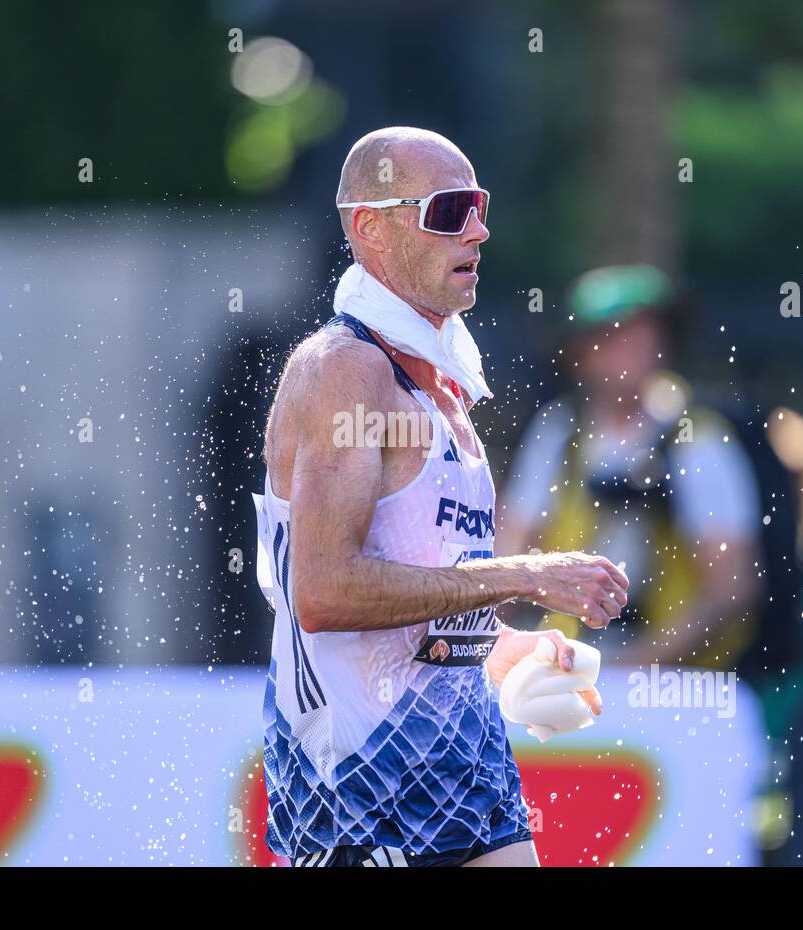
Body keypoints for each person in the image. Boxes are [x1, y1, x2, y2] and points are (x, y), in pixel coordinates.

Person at [252, 127, 629, 867]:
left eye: (480, 206)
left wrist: (502, 649)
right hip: (357, 780)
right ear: (371, 229)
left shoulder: (443, 386)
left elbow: (422, 595)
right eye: (451, 210)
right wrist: (526, 575)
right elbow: (324, 592)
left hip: (467, 765)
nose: (479, 230)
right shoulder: (345, 372)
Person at [500, 265, 764, 670]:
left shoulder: (698, 439)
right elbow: (510, 555)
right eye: (614, 337)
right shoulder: (557, 431)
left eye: (646, 335)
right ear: (578, 353)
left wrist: (638, 665)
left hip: (683, 680)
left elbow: (732, 589)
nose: (633, 350)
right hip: (568, 665)